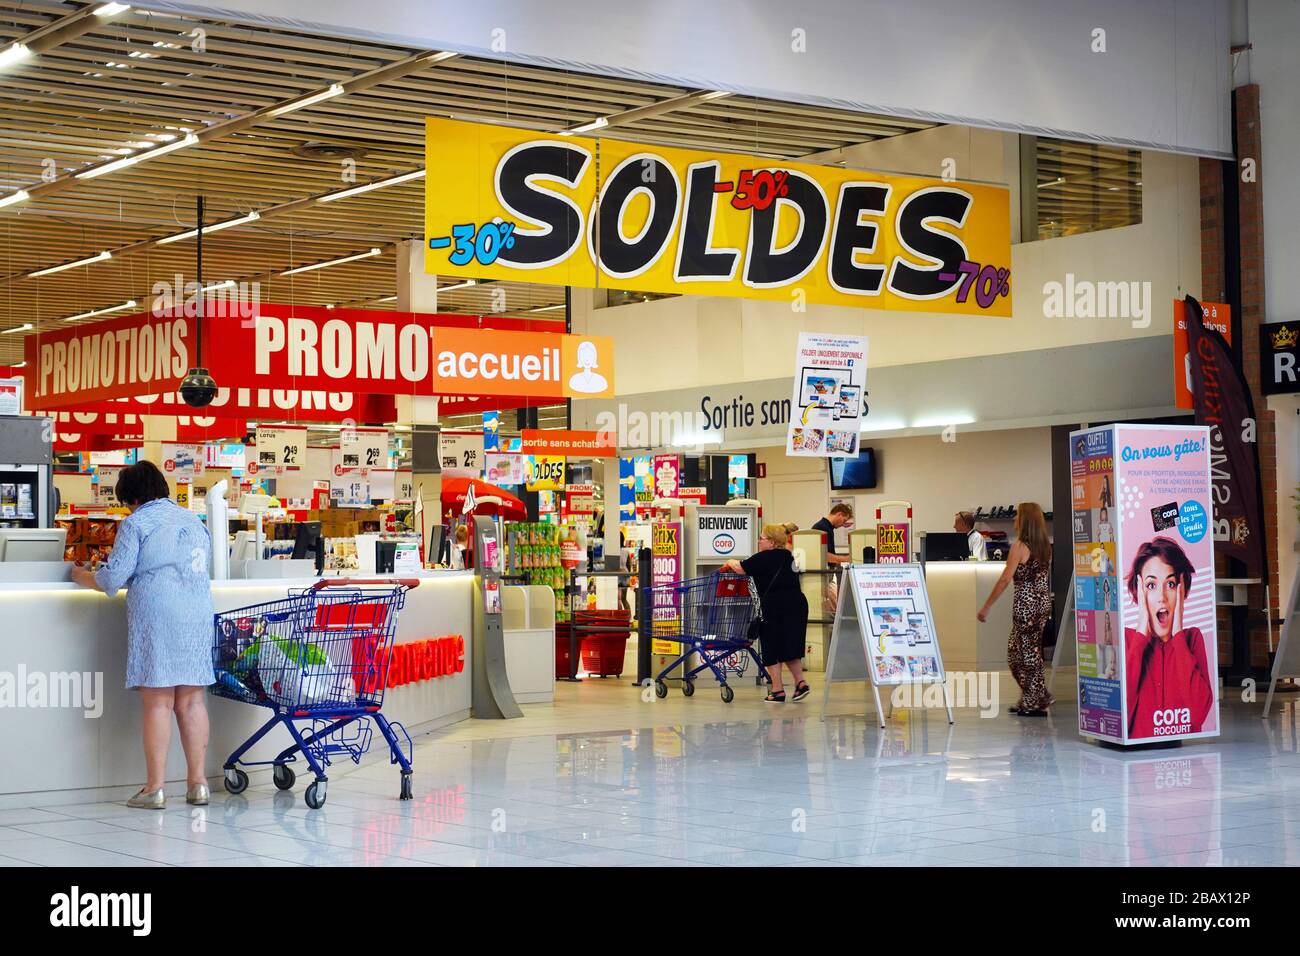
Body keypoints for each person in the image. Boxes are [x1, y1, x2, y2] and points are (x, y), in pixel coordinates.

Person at [69, 460, 216, 809]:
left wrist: (82, 576)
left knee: (159, 701)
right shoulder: (193, 521)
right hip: (196, 613)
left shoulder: (137, 523)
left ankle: (155, 788)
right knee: (192, 700)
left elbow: (112, 577)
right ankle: (198, 784)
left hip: (158, 613)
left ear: (131, 498)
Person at [1124, 537, 1214, 738]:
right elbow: (1119, 713)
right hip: (1136, 762)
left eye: (1171, 584)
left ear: (1183, 591)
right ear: (1138, 592)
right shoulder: (1128, 640)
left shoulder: (1192, 639)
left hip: (1182, 761)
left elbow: (1199, 713)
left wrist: (1178, 636)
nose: (1162, 597)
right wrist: (1141, 632)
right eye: (1151, 586)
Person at [977, 502, 1054, 716]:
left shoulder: (1020, 546)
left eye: (1017, 516)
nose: (1014, 520)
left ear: (1025, 520)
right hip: (1042, 603)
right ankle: (1037, 695)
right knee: (1017, 652)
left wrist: (987, 606)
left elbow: (1004, 579)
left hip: (1026, 604)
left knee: (1027, 653)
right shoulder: (1045, 545)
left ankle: (1034, 701)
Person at [723, 524, 810, 702]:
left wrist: (729, 561)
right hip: (797, 604)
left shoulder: (763, 557)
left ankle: (777, 691)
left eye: (761, 538)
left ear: (771, 542)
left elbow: (740, 568)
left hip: (775, 605)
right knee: (791, 645)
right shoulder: (788, 556)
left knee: (771, 646)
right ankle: (800, 683)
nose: (758, 541)